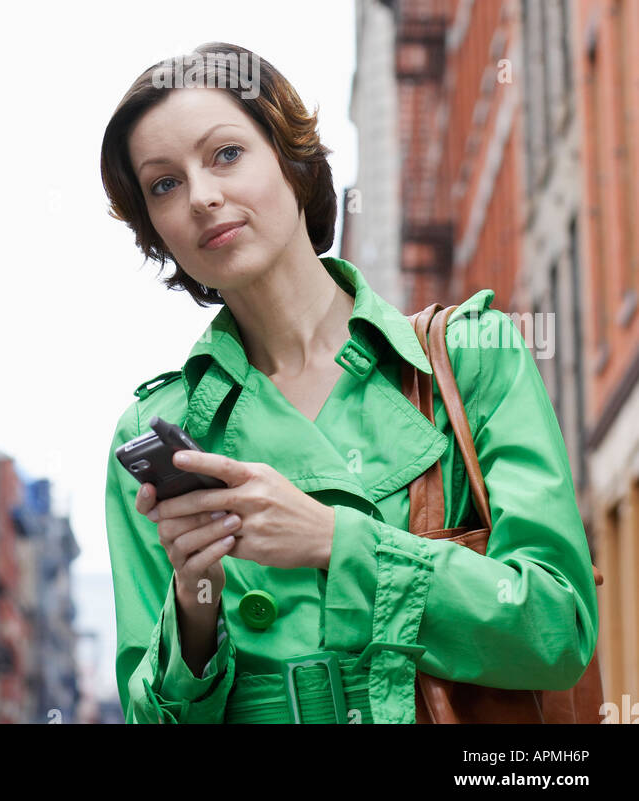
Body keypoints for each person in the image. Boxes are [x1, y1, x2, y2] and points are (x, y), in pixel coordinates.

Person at [101, 41, 600, 724]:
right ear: (155, 229)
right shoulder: (158, 431)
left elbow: (557, 629)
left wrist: (337, 542)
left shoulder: (469, 357)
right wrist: (195, 605)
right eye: (164, 184)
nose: (203, 197)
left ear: (292, 162)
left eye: (225, 155)